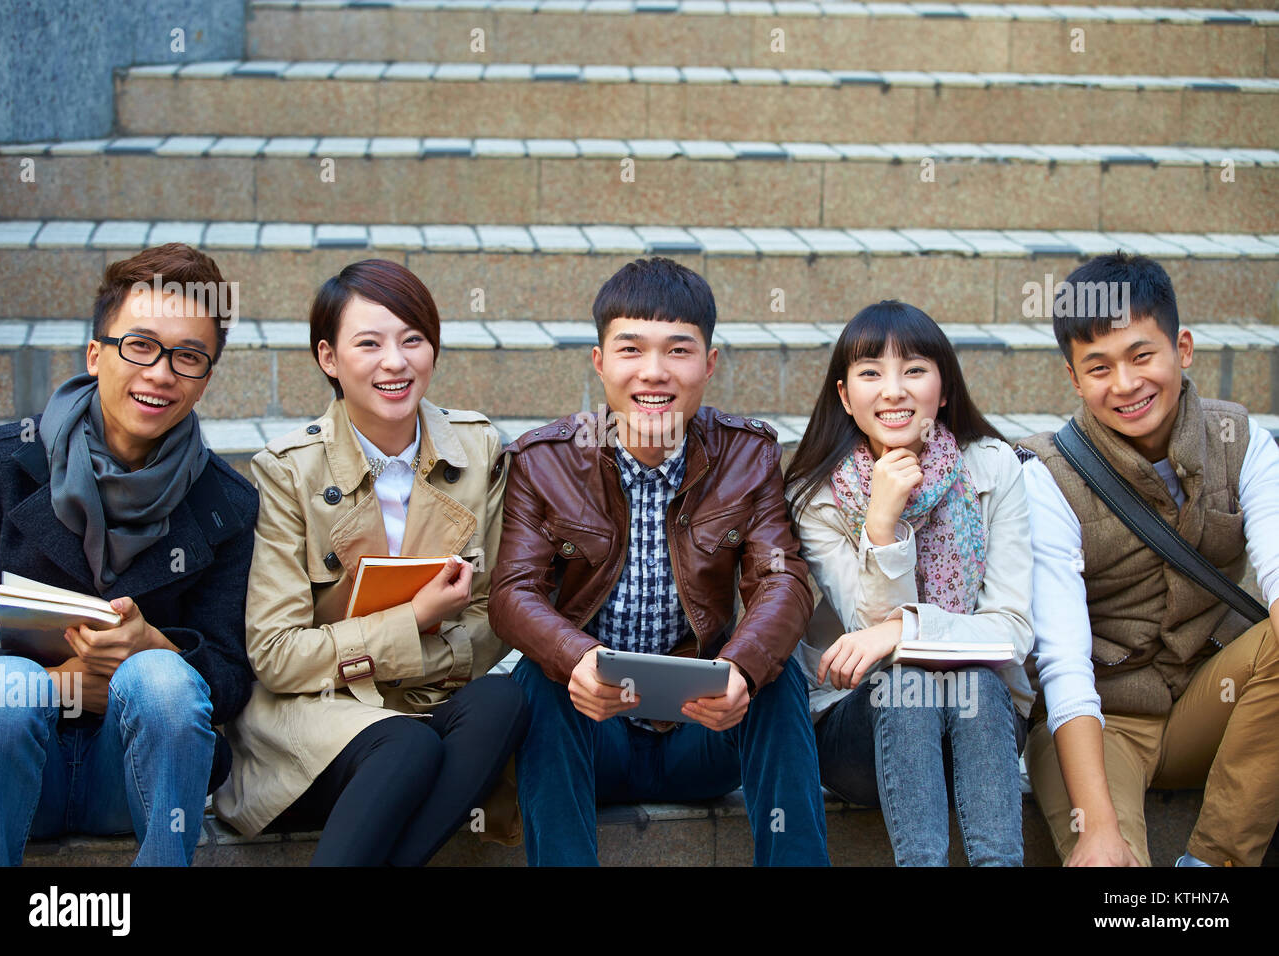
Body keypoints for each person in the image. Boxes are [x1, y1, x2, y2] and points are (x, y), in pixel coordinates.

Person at [490, 256, 830, 866]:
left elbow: (784, 579)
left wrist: (740, 671)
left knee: (778, 682)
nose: (653, 373)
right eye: (630, 350)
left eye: (677, 350)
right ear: (599, 361)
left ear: (709, 363)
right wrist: (578, 659)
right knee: (536, 684)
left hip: (706, 730)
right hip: (595, 735)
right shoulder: (544, 461)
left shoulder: (747, 456)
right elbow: (512, 593)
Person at [212, 259, 528, 866]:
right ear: (329, 358)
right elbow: (276, 655)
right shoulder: (288, 471)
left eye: (414, 339)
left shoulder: (478, 448)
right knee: (405, 746)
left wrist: (416, 655)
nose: (396, 362)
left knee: (505, 702)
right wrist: (411, 621)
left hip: (426, 703)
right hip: (316, 718)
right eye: (370, 343)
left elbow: (493, 614)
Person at [0, 243, 258, 866]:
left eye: (188, 357)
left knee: (159, 680)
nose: (161, 373)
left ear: (206, 378)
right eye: (140, 345)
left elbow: (235, 675)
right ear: (95, 353)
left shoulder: (227, 504)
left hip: (135, 776)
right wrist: (57, 688)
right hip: (6, 760)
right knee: (6, 685)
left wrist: (152, 648)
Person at [1017, 252, 1279, 867]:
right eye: (1099, 367)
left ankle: (1212, 864)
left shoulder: (1243, 443)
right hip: (1099, 723)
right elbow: (1061, 659)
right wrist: (1100, 828)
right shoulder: (1045, 476)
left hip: (1211, 704)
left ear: (1181, 348)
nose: (1126, 384)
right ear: (1074, 379)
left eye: (1142, 356)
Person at [783, 301, 1036, 866]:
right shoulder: (817, 498)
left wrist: (903, 629)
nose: (893, 391)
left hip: (982, 728)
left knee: (978, 678)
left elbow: (1012, 632)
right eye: (871, 373)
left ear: (943, 389)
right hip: (860, 731)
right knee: (908, 684)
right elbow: (867, 643)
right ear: (845, 396)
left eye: (914, 370)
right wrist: (881, 523)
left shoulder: (993, 469)